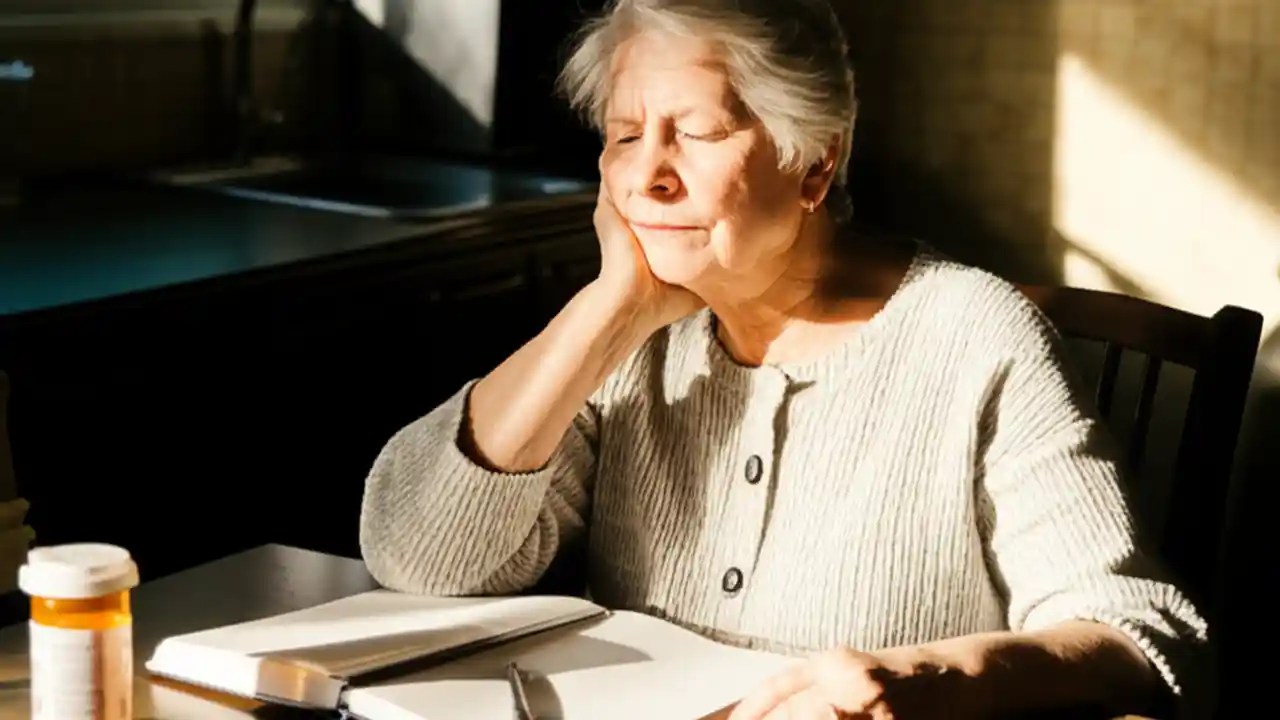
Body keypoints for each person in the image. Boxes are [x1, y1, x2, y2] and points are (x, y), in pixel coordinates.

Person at [358, 1, 1211, 717]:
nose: (648, 174)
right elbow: (424, 559)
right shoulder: (637, 342)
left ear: (813, 160)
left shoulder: (973, 335)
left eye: (692, 133)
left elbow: (1144, 634)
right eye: (624, 135)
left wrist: (926, 683)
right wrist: (606, 311)